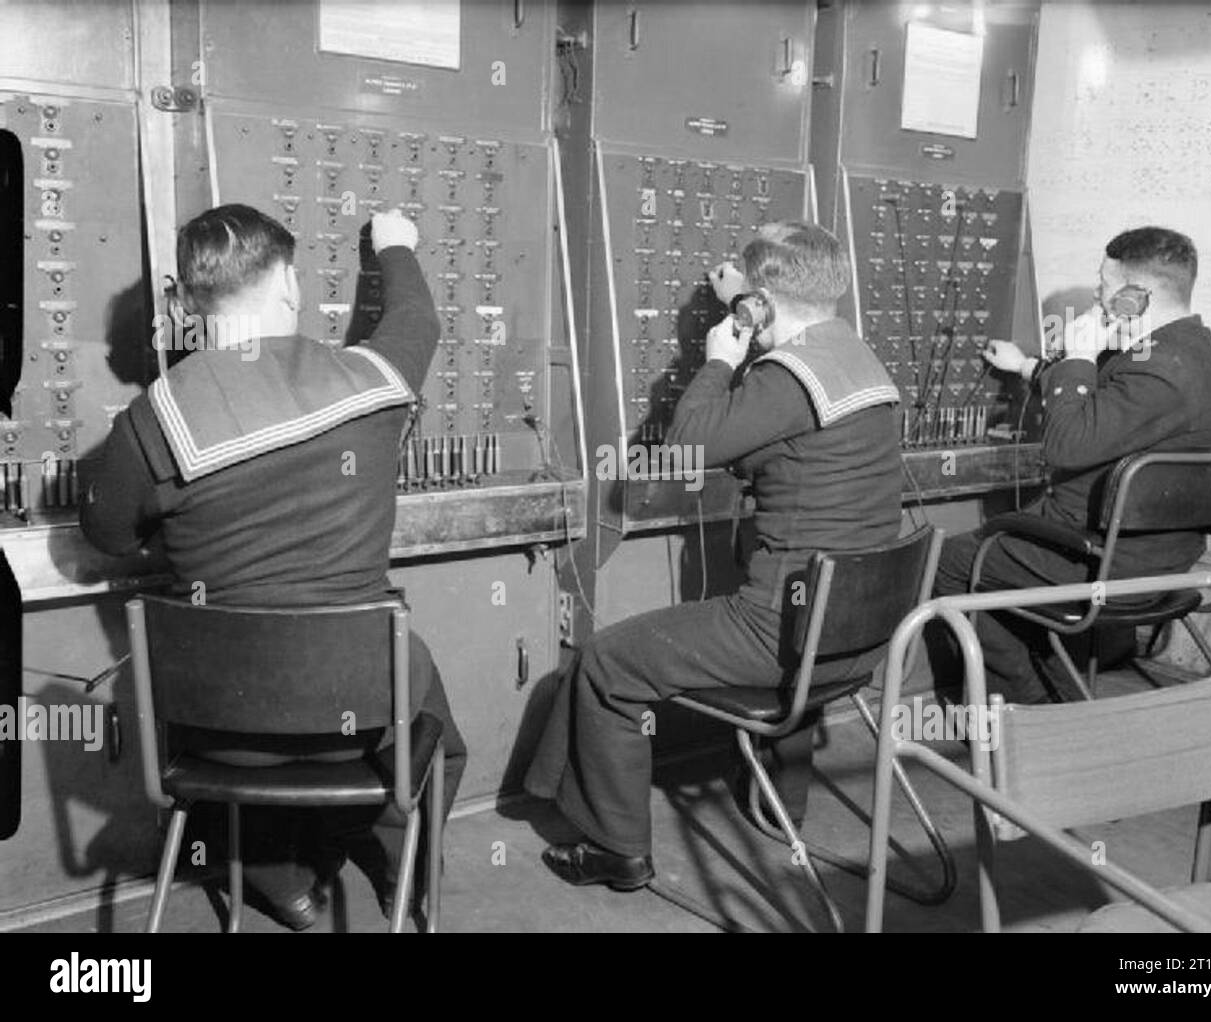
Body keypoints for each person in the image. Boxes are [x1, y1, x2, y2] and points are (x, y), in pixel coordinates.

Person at [80, 203, 466, 928]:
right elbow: (419, 318)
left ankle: (282, 882)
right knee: (429, 717)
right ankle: (406, 878)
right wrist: (393, 245)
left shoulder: (154, 417)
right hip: (361, 716)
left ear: (191, 304)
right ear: (288, 283)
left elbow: (104, 531)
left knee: (237, 720)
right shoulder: (375, 375)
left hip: (217, 727)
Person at [525, 220, 903, 889]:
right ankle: (780, 799)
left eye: (752, 299)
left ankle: (618, 849)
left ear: (761, 308)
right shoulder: (858, 359)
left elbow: (691, 443)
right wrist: (748, 300)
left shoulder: (787, 375)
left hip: (781, 630)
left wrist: (720, 358)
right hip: (860, 633)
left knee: (607, 661)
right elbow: (781, 445)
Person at [930, 225, 1211, 704]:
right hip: (1160, 557)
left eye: (1105, 287)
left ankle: (1021, 711)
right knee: (1002, 572)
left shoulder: (1159, 371)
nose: (1096, 295)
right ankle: (1058, 696)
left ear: (1140, 296)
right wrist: (1028, 367)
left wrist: (1078, 352)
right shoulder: (1196, 355)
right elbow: (1109, 406)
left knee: (949, 563)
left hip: (1103, 563)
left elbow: (1065, 446)